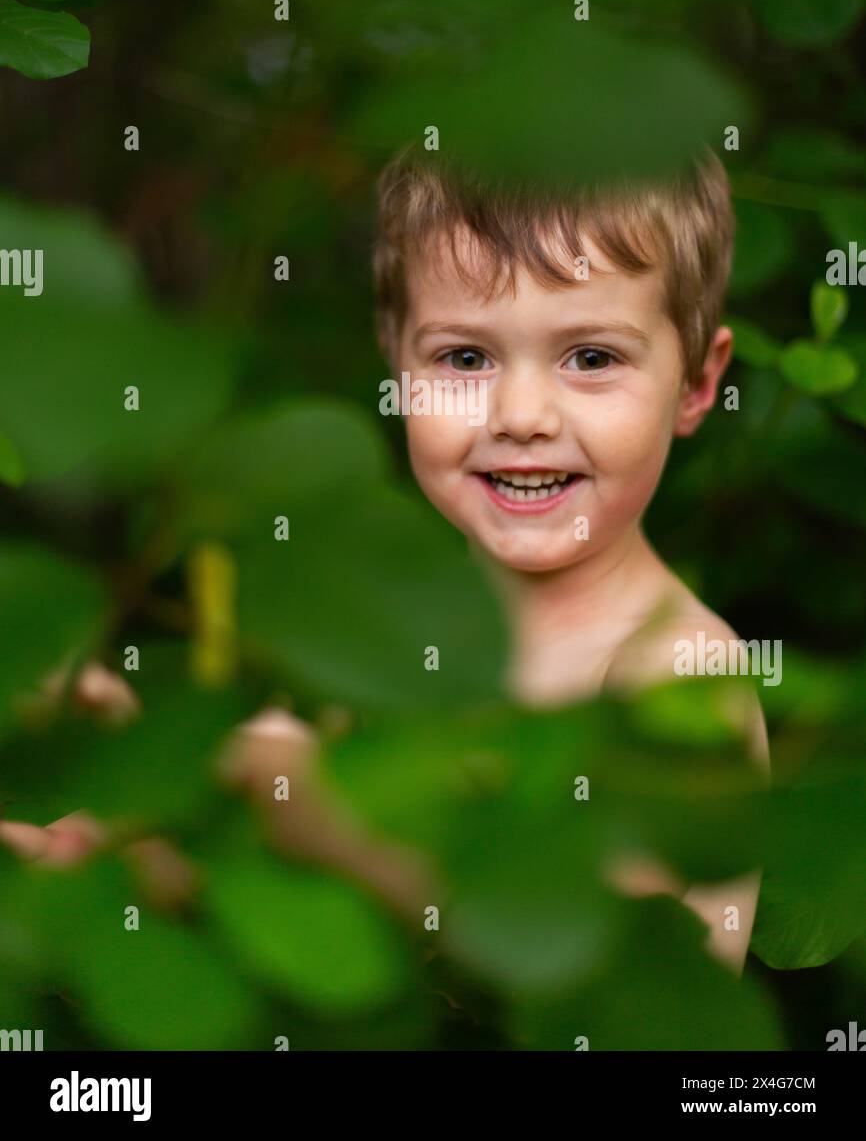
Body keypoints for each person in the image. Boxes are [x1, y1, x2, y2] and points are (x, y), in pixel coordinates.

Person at [0, 145, 770, 980]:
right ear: (396, 364)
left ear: (696, 382)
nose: (520, 416)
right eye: (464, 358)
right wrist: (126, 819)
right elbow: (286, 895)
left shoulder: (680, 671)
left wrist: (272, 786)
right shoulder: (390, 643)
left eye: (591, 358)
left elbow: (588, 957)